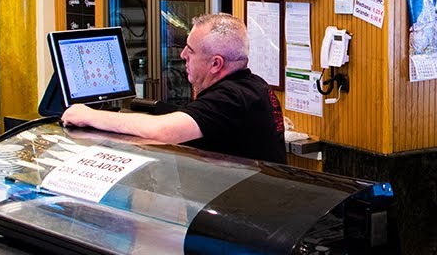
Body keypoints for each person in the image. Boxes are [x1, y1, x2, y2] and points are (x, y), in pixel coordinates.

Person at [62, 13, 287, 164]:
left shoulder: (231, 98)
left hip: (244, 220)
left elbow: (162, 131)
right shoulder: (254, 85)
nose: (182, 55)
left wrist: (88, 115)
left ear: (216, 64)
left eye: (190, 50)